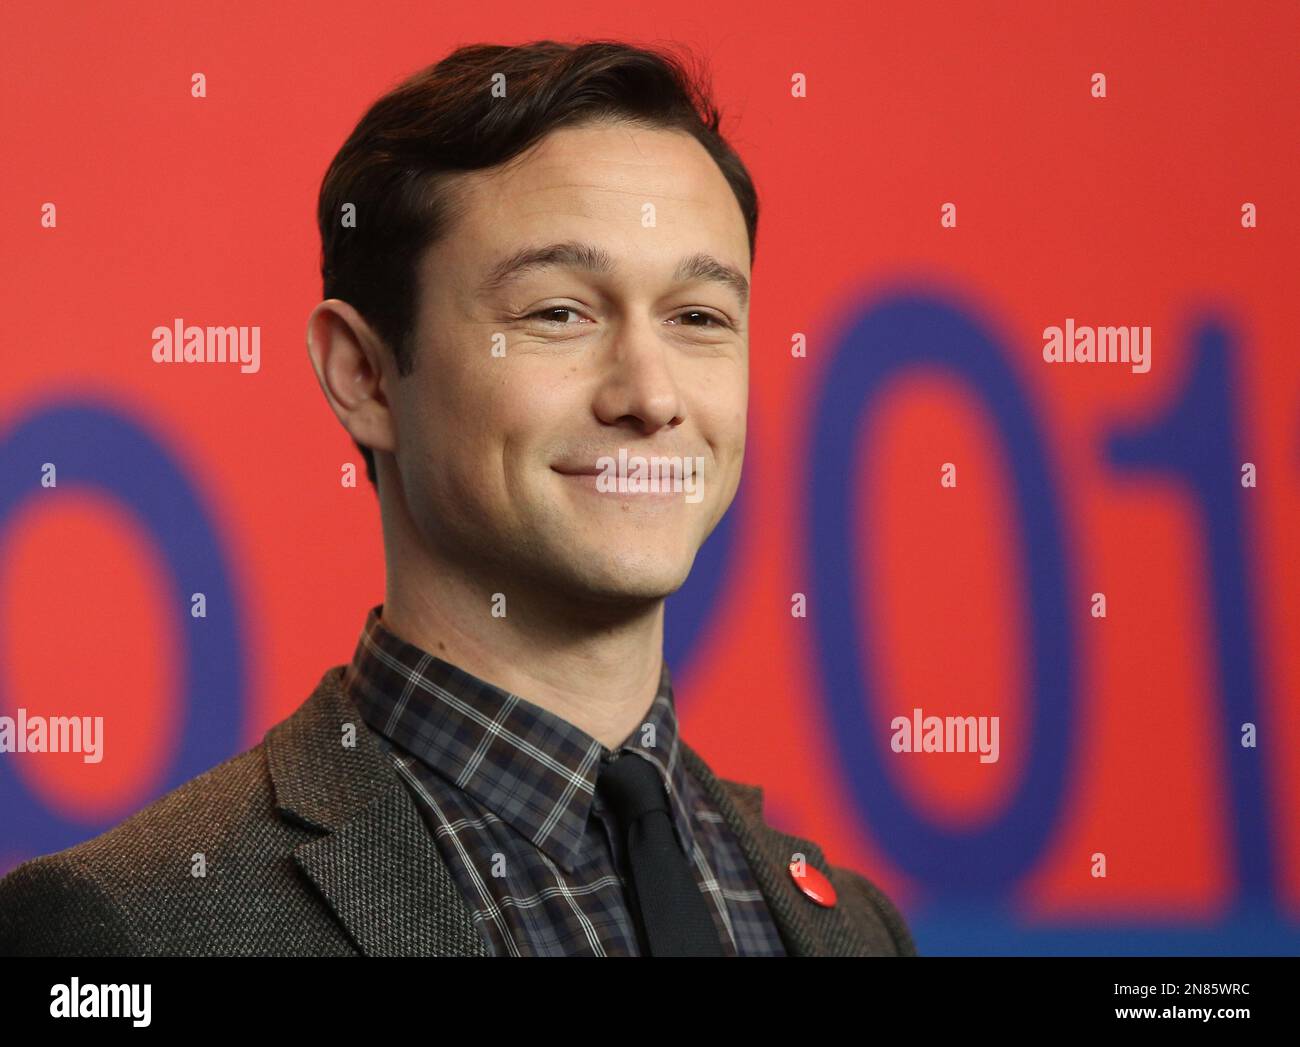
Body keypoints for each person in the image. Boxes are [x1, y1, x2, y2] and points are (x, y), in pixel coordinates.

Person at [0, 39, 916, 957]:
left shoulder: (857, 930)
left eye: (698, 319)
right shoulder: (138, 926)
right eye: (559, 312)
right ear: (362, 374)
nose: (652, 395)